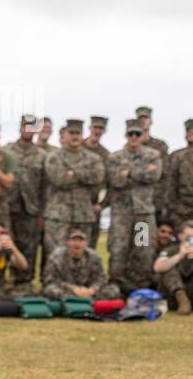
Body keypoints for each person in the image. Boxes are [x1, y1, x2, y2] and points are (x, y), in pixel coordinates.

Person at [104, 123, 163, 293]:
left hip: (142, 214)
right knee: (118, 250)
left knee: (142, 251)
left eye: (138, 134)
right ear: (126, 136)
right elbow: (115, 181)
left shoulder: (153, 155)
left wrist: (129, 173)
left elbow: (154, 176)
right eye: (131, 134)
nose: (134, 137)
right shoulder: (115, 158)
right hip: (121, 214)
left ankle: (141, 289)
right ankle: (116, 288)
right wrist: (141, 172)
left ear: (143, 135)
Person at [42, 118, 105, 251]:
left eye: (78, 133)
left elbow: (97, 178)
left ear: (82, 135)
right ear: (65, 135)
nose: (75, 137)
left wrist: (73, 174)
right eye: (71, 133)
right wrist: (84, 176)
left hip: (83, 215)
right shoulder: (54, 157)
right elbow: (59, 180)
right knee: (56, 255)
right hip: (58, 216)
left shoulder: (93, 158)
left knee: (83, 255)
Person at [5, 114, 46, 288]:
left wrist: (42, 213)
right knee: (7, 244)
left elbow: (45, 187)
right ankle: (6, 280)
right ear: (20, 128)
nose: (28, 130)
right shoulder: (7, 151)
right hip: (8, 206)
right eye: (25, 126)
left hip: (31, 208)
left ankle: (25, 282)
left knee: (29, 247)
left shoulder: (42, 155)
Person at [41, 228, 121, 301]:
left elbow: (101, 278)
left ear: (86, 243)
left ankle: (78, 301)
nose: (77, 243)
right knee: (50, 290)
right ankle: (85, 301)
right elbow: (49, 279)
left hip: (88, 291)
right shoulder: (57, 256)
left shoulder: (94, 256)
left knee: (113, 290)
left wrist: (92, 290)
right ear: (67, 242)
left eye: (81, 240)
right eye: (74, 240)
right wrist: (73, 289)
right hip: (67, 291)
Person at [152, 219, 193, 314]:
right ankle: (182, 299)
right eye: (188, 237)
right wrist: (180, 255)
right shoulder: (171, 250)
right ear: (180, 236)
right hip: (172, 295)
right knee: (168, 269)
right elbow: (157, 267)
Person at [162, 118, 193, 228]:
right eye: (189, 132)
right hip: (181, 212)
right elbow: (169, 186)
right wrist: (175, 208)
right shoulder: (177, 156)